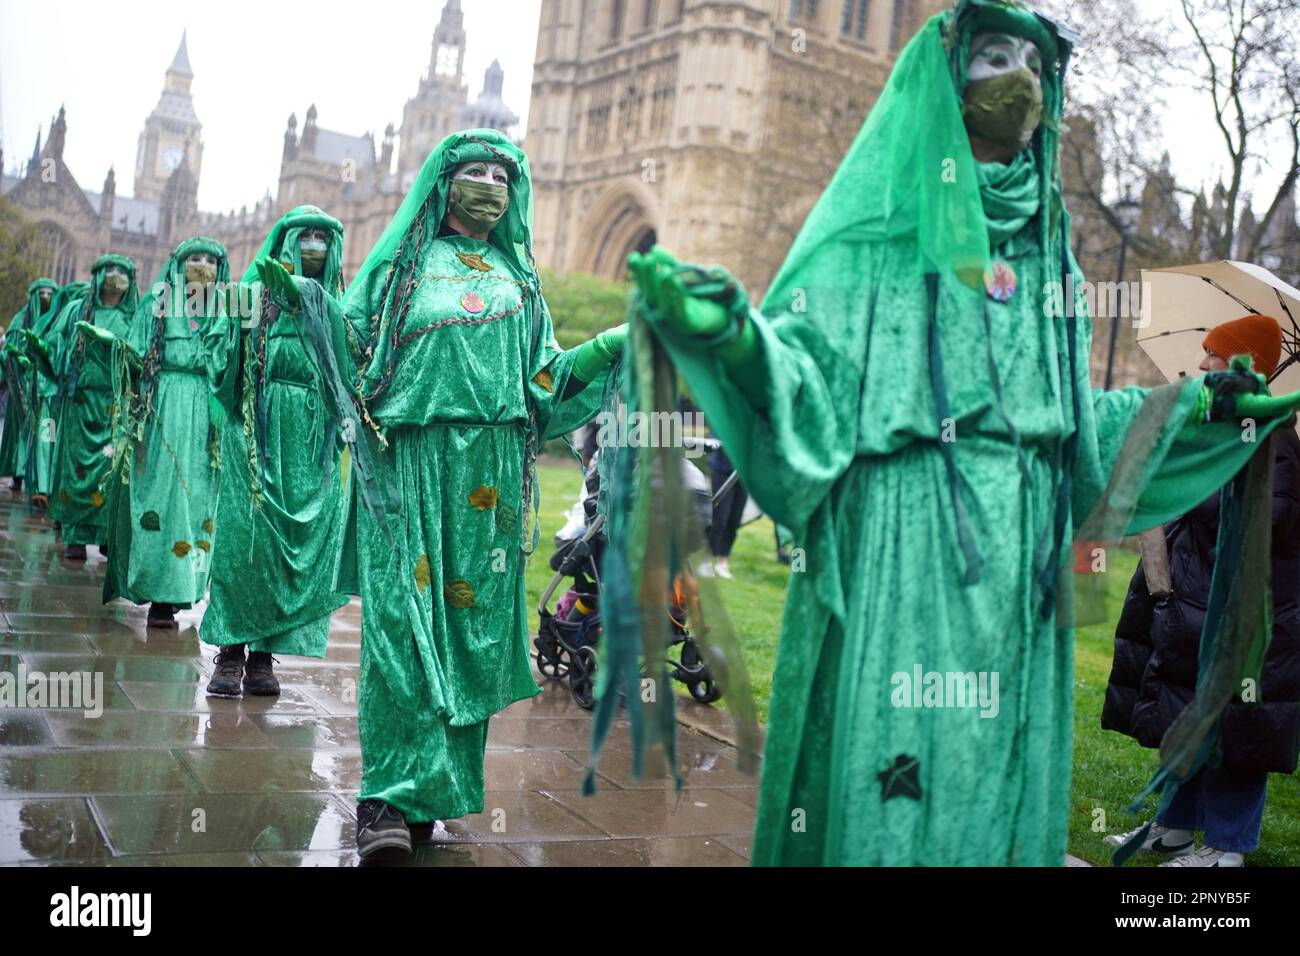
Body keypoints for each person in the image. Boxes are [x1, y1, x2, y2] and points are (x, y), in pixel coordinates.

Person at [620, 0, 1300, 865]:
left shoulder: (1051, 249)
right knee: (897, 774)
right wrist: (731, 334)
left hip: (1020, 573)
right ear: (947, 76)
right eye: (993, 57)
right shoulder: (874, 227)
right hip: (904, 557)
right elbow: (801, 379)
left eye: (1032, 62)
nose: (1017, 79)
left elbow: (1074, 436)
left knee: (992, 777)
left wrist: (1200, 403)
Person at [314, 129, 625, 860]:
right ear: (443, 183)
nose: (490, 183)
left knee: (468, 631)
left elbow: (543, 381)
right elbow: (350, 345)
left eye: (502, 175)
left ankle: (438, 793)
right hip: (410, 467)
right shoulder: (400, 271)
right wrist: (301, 302)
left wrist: (610, 344)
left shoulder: (523, 284)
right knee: (401, 628)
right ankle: (385, 799)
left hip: (490, 481)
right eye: (475, 172)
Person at [1102, 314, 1300, 867]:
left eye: (1213, 357)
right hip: (1199, 609)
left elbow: (1270, 523)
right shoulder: (1217, 434)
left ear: (1242, 367)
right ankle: (1175, 827)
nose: (1202, 367)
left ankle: (1227, 846)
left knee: (1240, 728)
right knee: (1194, 716)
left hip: (1252, 621)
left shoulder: (1274, 442)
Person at [201, 206, 352, 697]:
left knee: (293, 548)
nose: (314, 245)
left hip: (311, 439)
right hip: (259, 432)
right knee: (248, 544)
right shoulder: (252, 298)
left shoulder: (338, 304)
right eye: (305, 236)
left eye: (322, 238)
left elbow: (353, 368)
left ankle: (264, 656)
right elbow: (221, 363)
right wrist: (237, 325)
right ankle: (230, 652)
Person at [102, 238, 228, 628]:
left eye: (210, 260)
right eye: (194, 258)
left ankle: (181, 590)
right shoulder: (158, 302)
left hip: (207, 416)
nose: (202, 265)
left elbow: (231, 360)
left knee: (196, 501)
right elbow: (136, 351)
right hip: (162, 409)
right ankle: (158, 591)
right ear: (178, 264)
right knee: (162, 492)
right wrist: (120, 351)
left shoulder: (224, 311)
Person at [41, 256, 139, 560]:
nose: (116, 277)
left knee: (112, 474)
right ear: (98, 276)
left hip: (115, 405)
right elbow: (56, 346)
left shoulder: (134, 317)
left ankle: (107, 535)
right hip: (80, 404)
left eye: (123, 272)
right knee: (77, 472)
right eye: (111, 271)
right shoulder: (77, 311)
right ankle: (76, 536)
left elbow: (142, 357)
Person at [0, 279, 57, 492]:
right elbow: (7, 354)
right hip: (23, 389)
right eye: (42, 294)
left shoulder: (57, 321)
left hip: (47, 390)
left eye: (50, 294)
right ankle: (19, 474)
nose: (46, 298)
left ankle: (43, 481)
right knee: (22, 434)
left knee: (46, 433)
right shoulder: (19, 321)